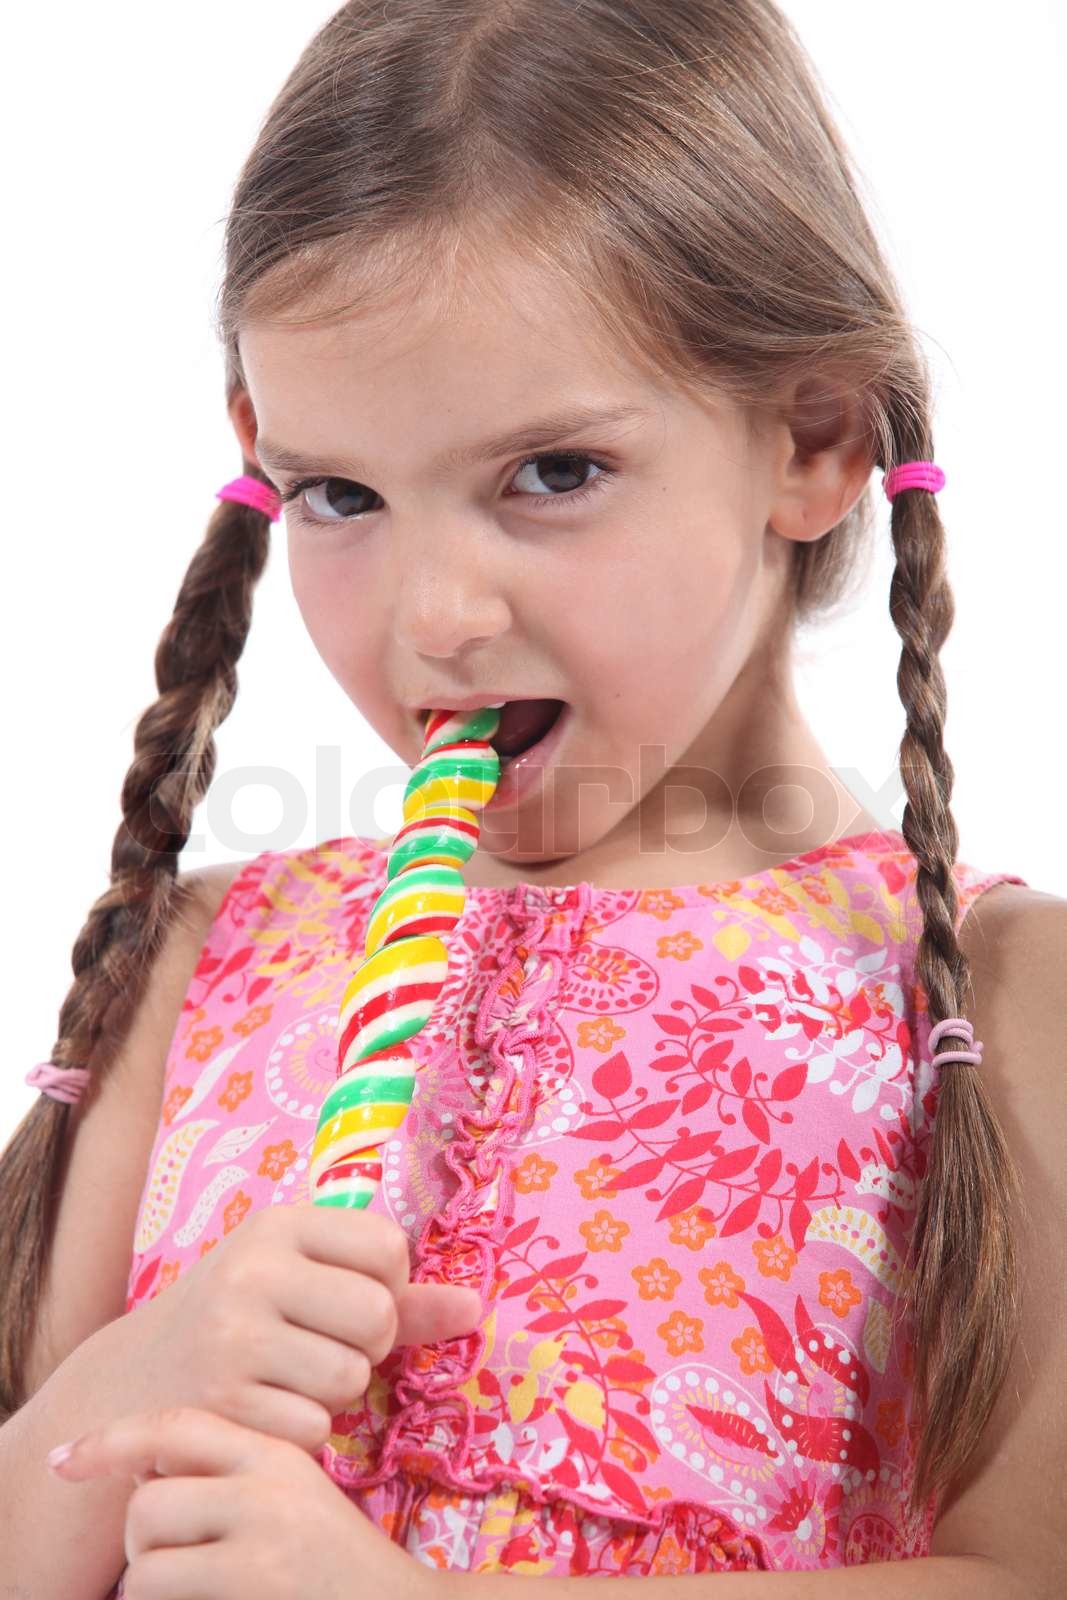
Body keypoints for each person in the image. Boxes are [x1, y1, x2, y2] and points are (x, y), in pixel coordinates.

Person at [2, 1, 1063, 1595]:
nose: (434, 617)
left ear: (814, 440)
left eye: (552, 474)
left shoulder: (989, 997)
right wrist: (119, 1392)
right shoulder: (206, 961)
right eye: (340, 493)